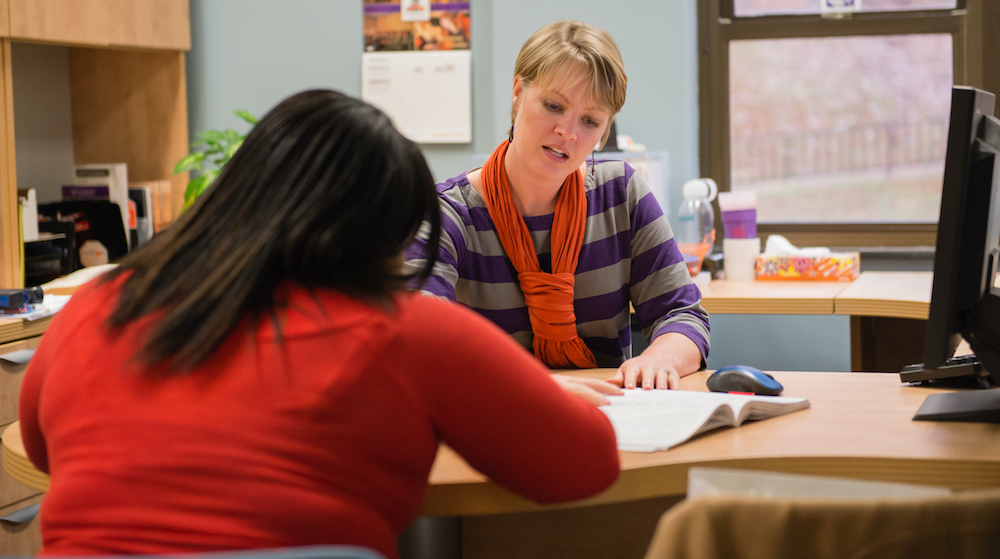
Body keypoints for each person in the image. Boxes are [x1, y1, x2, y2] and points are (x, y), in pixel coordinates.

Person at [18, 90, 620, 558]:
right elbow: (586, 463)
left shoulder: (101, 304)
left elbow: (43, 447)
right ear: (385, 238)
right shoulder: (406, 331)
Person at [404, 20, 710, 389]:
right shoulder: (445, 213)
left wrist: (660, 359)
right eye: (553, 105)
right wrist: (544, 393)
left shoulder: (621, 194)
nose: (568, 132)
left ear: (605, 132)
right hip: (495, 413)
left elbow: (682, 314)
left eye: (590, 121)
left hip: (609, 411)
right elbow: (416, 336)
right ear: (518, 93)